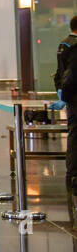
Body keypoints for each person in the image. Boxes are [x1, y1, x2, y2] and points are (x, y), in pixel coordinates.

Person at [55, 17, 77, 194]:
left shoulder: (63, 44)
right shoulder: (75, 46)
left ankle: (71, 175)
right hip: (75, 96)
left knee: (73, 134)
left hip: (69, 97)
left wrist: (60, 91)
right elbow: (71, 75)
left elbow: (59, 73)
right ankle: (73, 175)